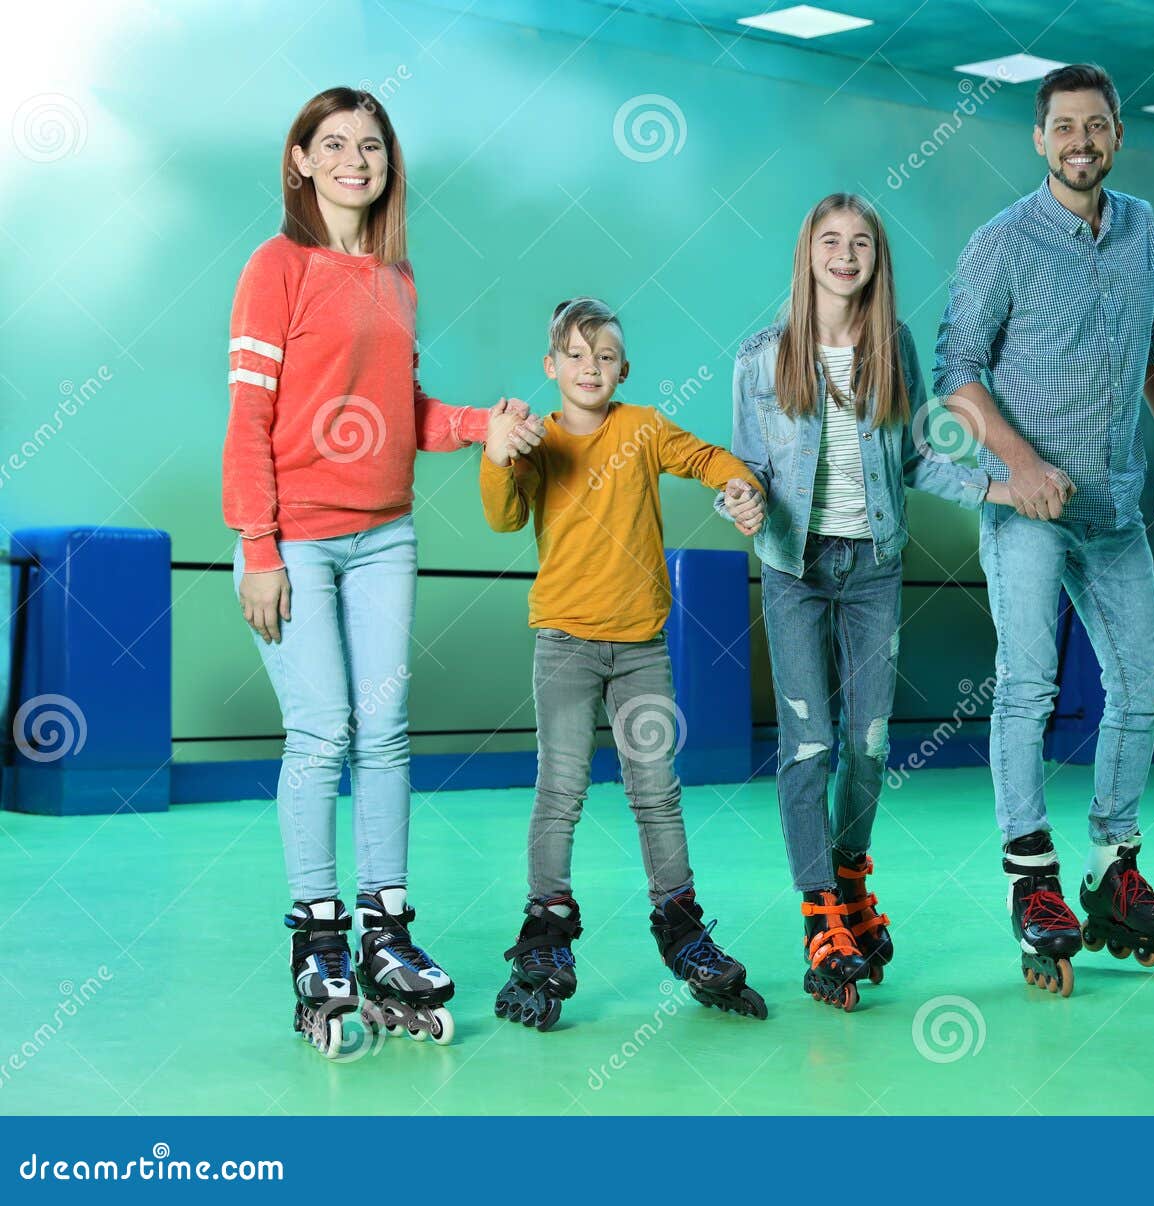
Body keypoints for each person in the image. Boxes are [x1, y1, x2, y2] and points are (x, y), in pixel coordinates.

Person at [225, 87, 530, 1055]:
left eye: (372, 145)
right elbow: (247, 422)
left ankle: (385, 934)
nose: (357, 158)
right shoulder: (275, 268)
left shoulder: (394, 277)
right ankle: (317, 940)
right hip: (295, 540)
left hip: (383, 535)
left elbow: (407, 412)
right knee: (322, 732)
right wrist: (261, 547)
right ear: (300, 161)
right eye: (335, 143)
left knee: (386, 731)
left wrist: (487, 425)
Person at [934, 64, 1154, 998]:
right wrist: (1021, 466)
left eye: (1097, 126)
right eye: (1063, 128)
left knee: (1145, 685)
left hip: (1115, 503)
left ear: (1116, 135)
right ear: (1039, 140)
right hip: (1028, 506)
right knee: (1029, 686)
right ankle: (1034, 883)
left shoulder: (1142, 228)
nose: (1080, 142)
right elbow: (955, 373)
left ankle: (1112, 871)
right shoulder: (1001, 242)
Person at [718, 193, 1015, 1012]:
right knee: (809, 747)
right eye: (830, 241)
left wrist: (997, 485)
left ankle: (850, 877)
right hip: (794, 570)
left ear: (876, 261)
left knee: (872, 744)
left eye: (860, 244)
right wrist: (737, 501)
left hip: (875, 568)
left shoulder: (895, 347)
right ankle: (819, 913)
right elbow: (740, 472)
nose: (845, 255)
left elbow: (918, 458)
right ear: (807, 252)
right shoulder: (759, 356)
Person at [480, 297, 770, 1029]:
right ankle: (547, 925)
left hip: (640, 649)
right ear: (552, 367)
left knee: (656, 791)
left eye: (604, 356)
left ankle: (679, 922)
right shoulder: (538, 439)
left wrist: (739, 484)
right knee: (561, 788)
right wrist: (494, 453)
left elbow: (703, 457)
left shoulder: (642, 429)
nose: (590, 368)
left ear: (623, 369)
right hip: (565, 647)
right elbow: (504, 517)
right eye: (576, 355)